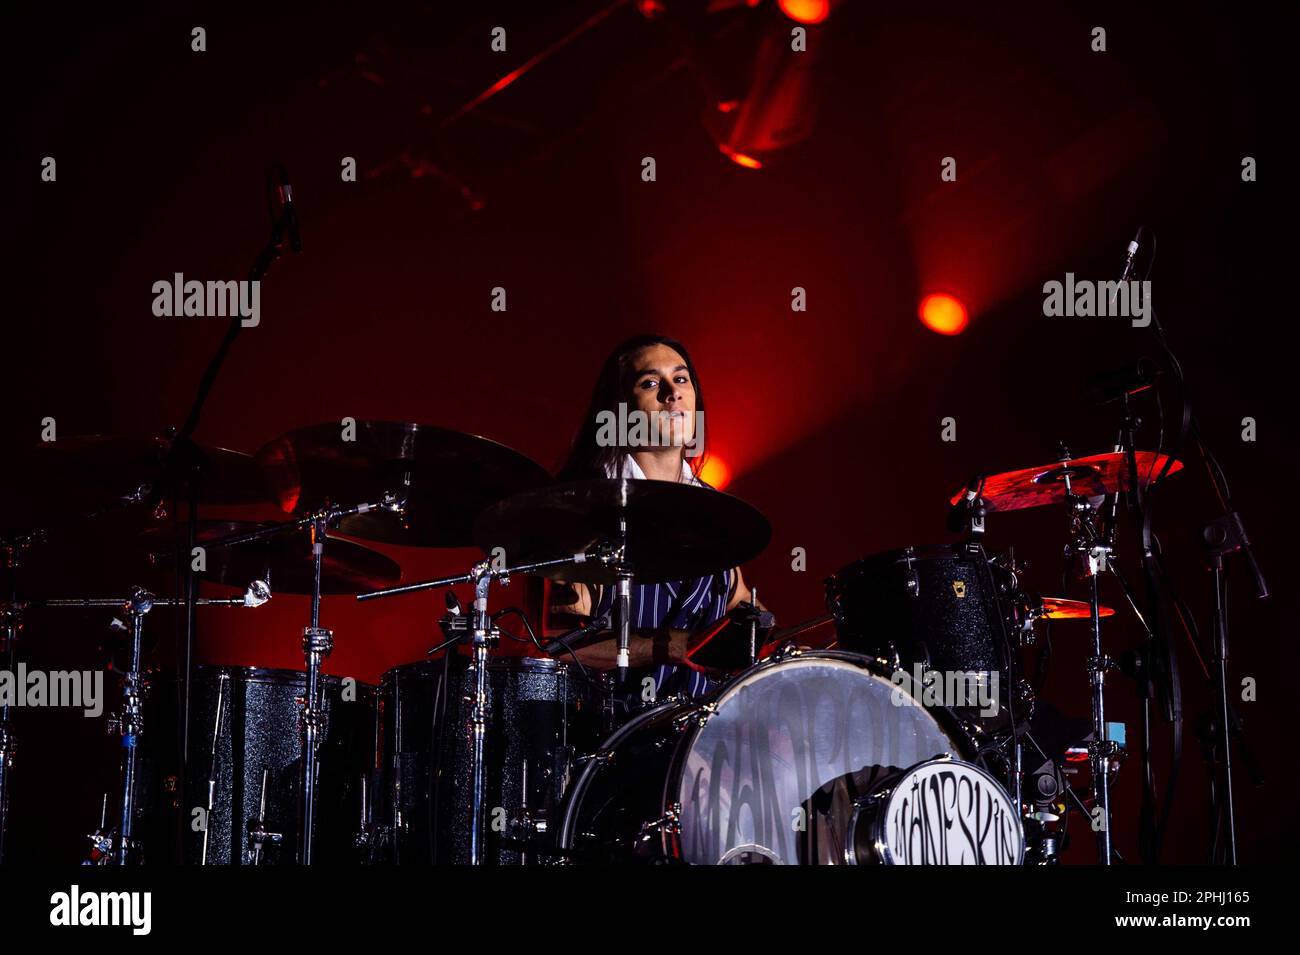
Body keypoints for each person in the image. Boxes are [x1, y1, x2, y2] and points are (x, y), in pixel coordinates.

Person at [548, 333, 767, 706]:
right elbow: (563, 645)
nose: (673, 393)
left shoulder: (715, 509)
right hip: (610, 744)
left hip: (702, 741)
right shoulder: (583, 507)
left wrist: (771, 635)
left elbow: (740, 600)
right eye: (650, 383)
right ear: (619, 409)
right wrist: (678, 646)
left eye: (681, 379)